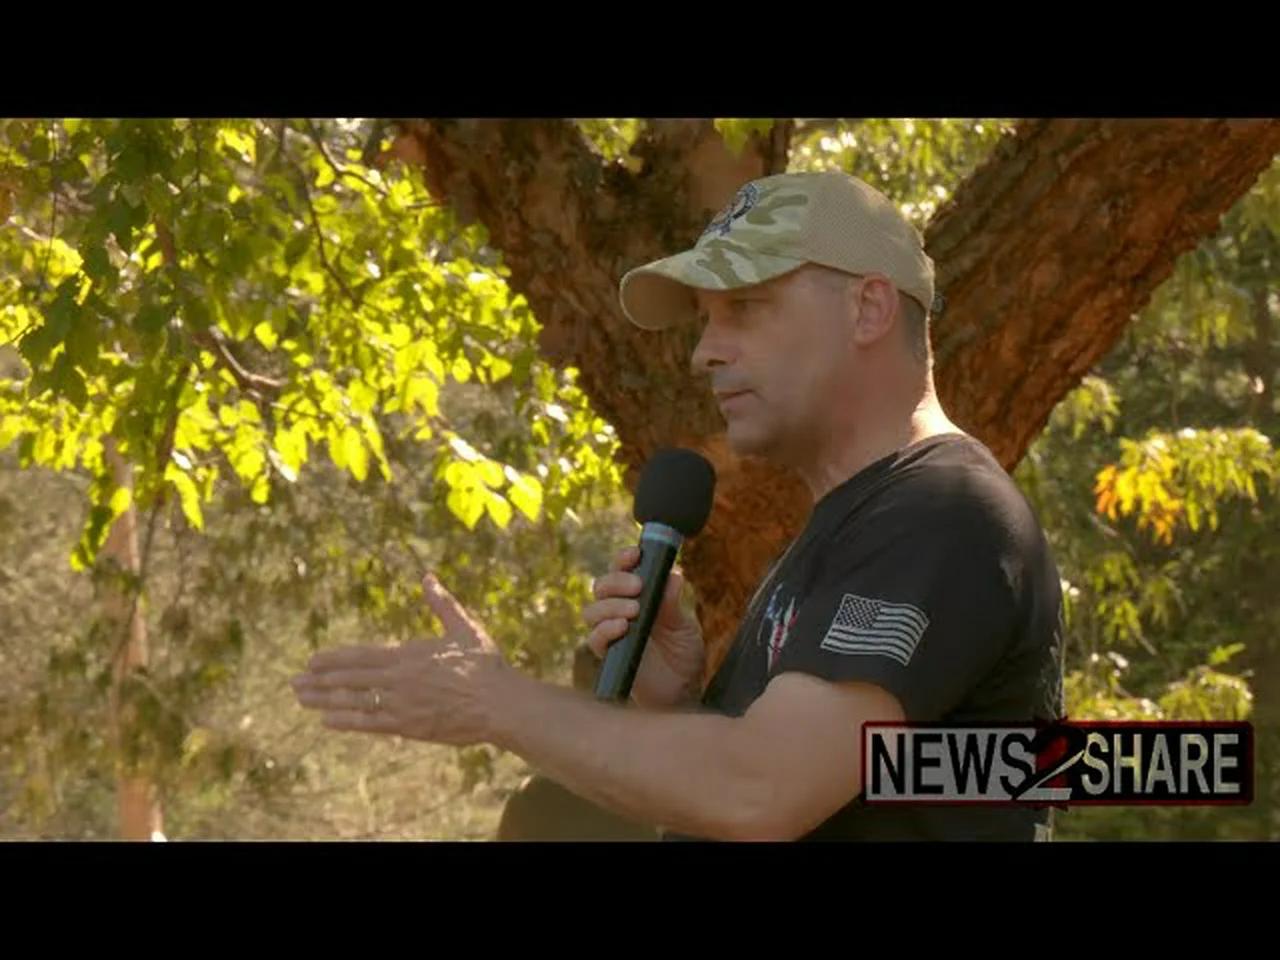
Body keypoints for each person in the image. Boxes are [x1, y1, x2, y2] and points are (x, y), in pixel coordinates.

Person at [292, 170, 1065, 842]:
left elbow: (761, 790)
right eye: (704, 320)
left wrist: (495, 702)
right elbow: (803, 787)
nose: (704, 352)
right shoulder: (859, 521)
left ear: (868, 309)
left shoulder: (943, 512)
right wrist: (673, 706)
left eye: (745, 308)